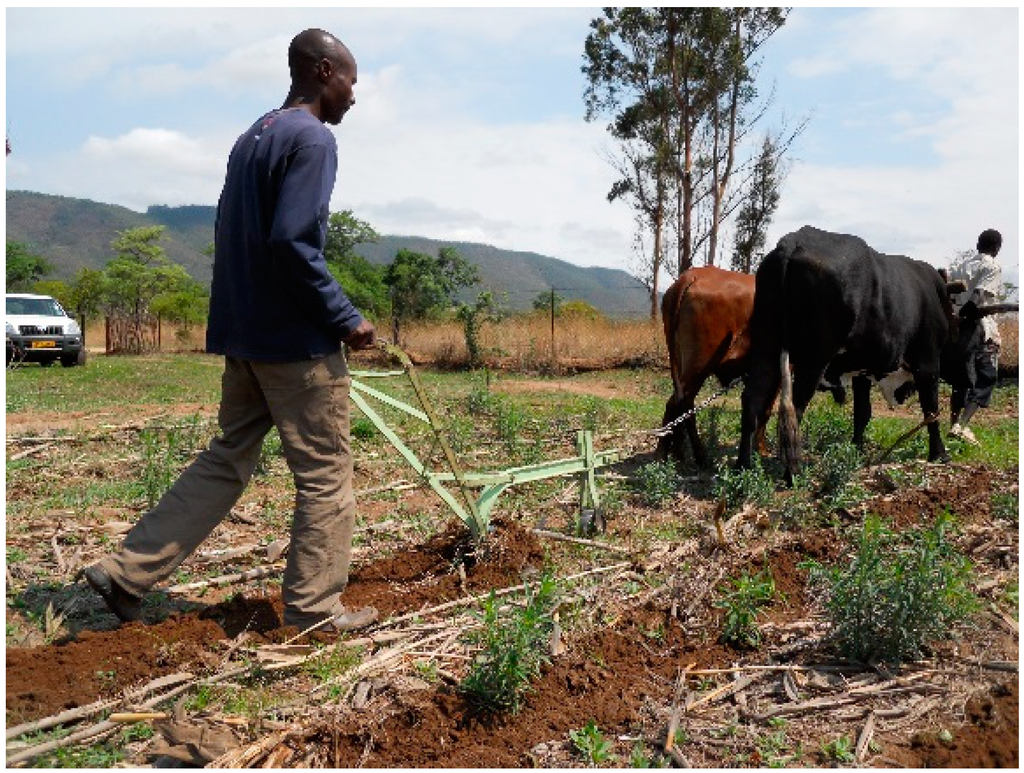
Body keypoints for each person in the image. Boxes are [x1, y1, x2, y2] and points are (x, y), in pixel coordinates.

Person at [84, 29, 379, 634]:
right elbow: (293, 242)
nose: (355, 95)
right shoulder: (314, 140)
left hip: (246, 338)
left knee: (226, 458)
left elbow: (234, 235)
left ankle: (126, 571)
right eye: (352, 80)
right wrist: (346, 317)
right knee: (326, 473)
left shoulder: (255, 135)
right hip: (295, 346)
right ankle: (315, 612)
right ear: (325, 72)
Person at [947, 228, 1004, 445]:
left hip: (955, 328)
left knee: (962, 378)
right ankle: (962, 425)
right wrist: (964, 316)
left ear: (978, 244)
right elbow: (978, 297)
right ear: (997, 248)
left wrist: (955, 319)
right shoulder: (992, 266)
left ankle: (953, 423)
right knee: (986, 377)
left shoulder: (959, 266)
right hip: (979, 328)